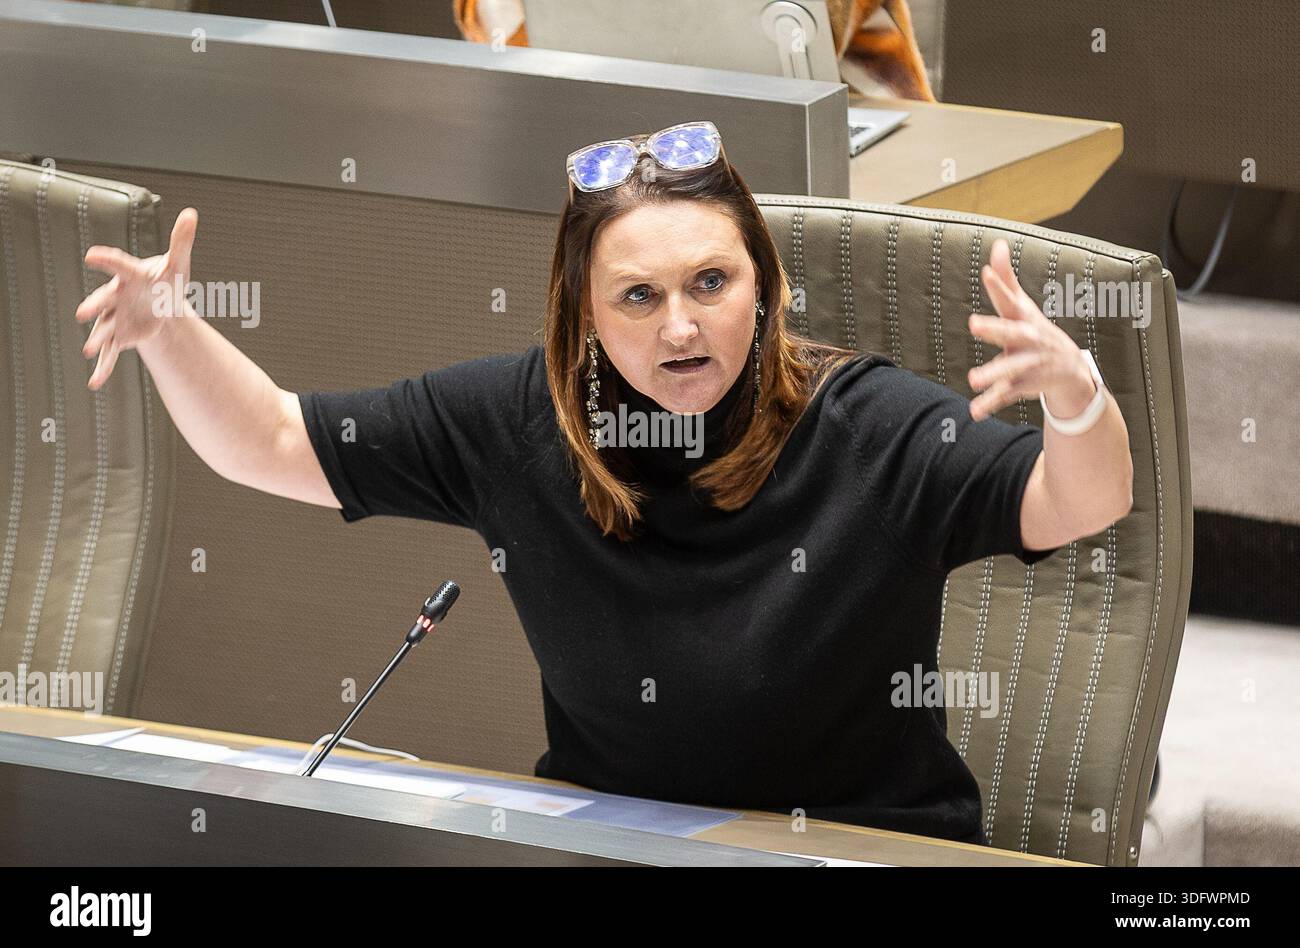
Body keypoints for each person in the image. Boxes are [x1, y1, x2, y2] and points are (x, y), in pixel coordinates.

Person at [75, 119, 1132, 846]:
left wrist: (1076, 394)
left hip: (863, 855)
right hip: (614, 850)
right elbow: (265, 436)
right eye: (637, 295)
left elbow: (1080, 502)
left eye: (711, 283)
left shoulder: (871, 429)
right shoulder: (517, 421)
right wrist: (169, 332)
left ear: (764, 289)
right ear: (582, 310)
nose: (680, 324)